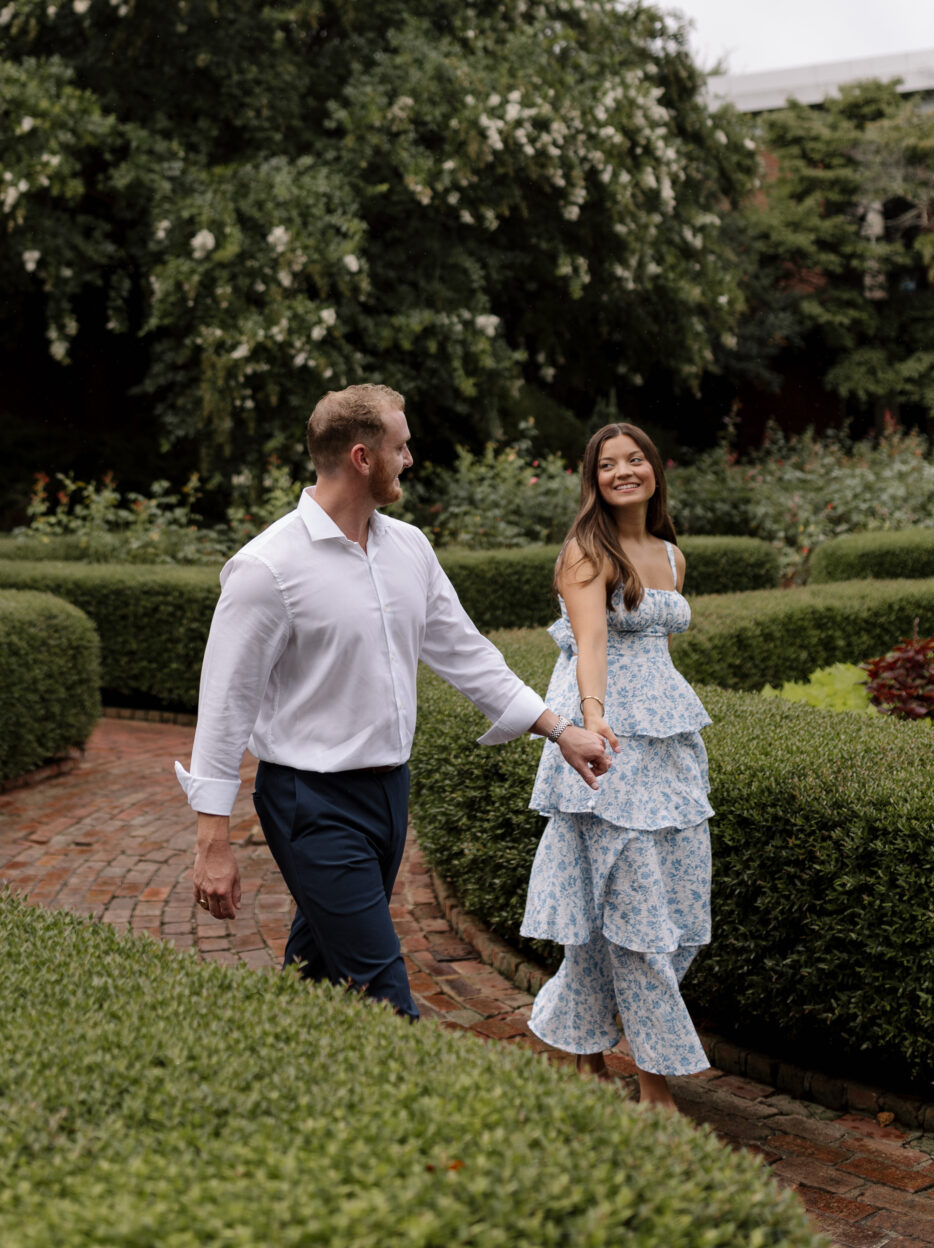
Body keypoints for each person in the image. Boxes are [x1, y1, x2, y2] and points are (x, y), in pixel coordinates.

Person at [177, 383, 613, 1017]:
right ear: (362, 457)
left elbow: (465, 653)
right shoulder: (265, 569)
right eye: (400, 447)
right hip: (310, 803)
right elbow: (223, 707)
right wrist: (211, 841)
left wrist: (559, 729)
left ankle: (270, 1073)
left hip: (389, 794)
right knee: (384, 991)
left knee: (321, 967)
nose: (410, 459)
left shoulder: (409, 547)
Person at [521, 421, 713, 1107]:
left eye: (635, 459)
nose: (624, 471)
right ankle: (652, 1084)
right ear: (592, 478)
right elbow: (590, 640)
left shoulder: (668, 553)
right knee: (628, 914)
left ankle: (573, 1041)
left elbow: (655, 647)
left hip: (667, 741)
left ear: (654, 469)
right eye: (609, 464)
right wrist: (592, 713)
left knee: (679, 910)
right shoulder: (585, 550)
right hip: (604, 742)